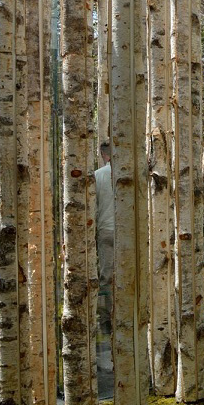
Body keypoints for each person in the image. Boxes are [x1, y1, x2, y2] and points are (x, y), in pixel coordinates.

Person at [94, 142, 114, 371]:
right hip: (128, 229)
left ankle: (106, 318)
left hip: (106, 230)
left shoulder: (98, 176)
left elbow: (93, 206)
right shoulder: (132, 172)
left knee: (106, 276)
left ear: (102, 155)